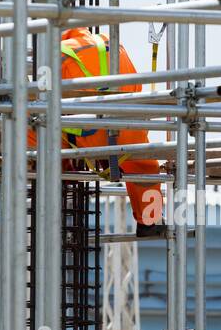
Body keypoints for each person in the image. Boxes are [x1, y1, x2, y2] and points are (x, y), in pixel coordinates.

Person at [54, 26, 164, 234]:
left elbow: (45, 94)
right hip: (125, 123)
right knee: (145, 166)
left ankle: (51, 190)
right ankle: (150, 221)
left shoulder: (60, 50)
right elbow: (135, 86)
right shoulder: (112, 44)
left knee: (40, 137)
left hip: (85, 131)